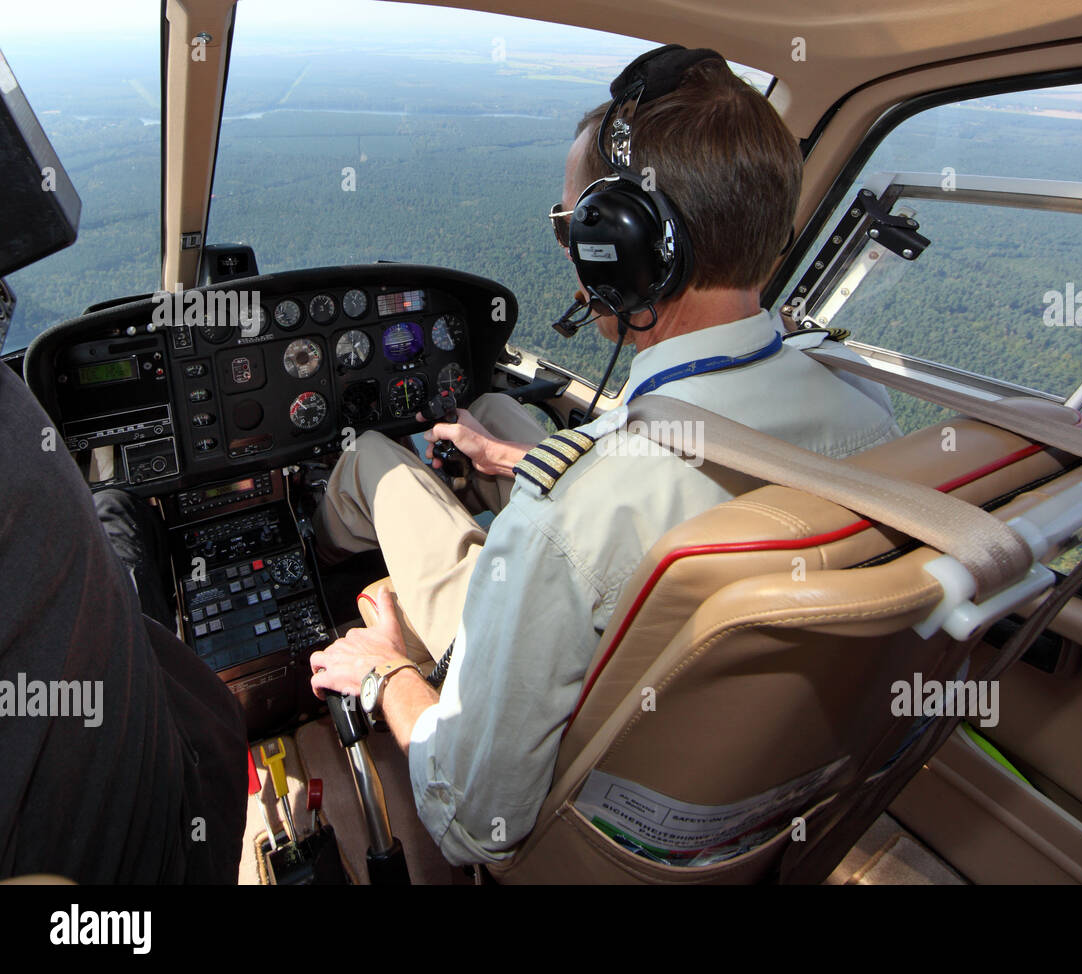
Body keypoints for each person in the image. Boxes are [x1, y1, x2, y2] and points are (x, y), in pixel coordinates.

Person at [307, 50, 901, 866]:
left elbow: (471, 824)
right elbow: (643, 484)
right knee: (495, 411)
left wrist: (387, 672)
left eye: (573, 226)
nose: (570, 247)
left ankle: (313, 547)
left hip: (580, 799)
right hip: (734, 768)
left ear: (621, 249)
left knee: (378, 458)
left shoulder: (569, 516)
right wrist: (518, 458)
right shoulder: (870, 412)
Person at [0, 364, 248, 883]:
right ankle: (121, 476)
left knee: (112, 506)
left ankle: (114, 472)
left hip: (165, 803)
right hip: (180, 811)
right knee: (115, 510)